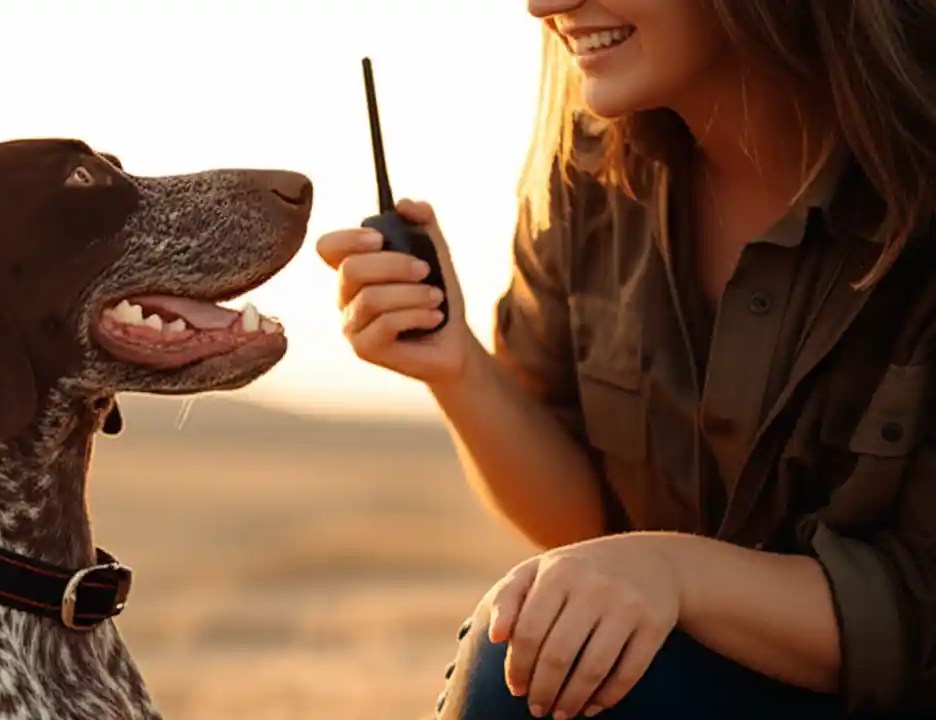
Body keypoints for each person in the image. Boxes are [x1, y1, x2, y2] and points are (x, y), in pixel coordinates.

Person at [315, 1, 936, 718]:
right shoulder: (588, 173)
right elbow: (588, 528)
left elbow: (918, 609)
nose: (544, 5)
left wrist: (677, 573)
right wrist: (457, 367)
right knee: (528, 650)